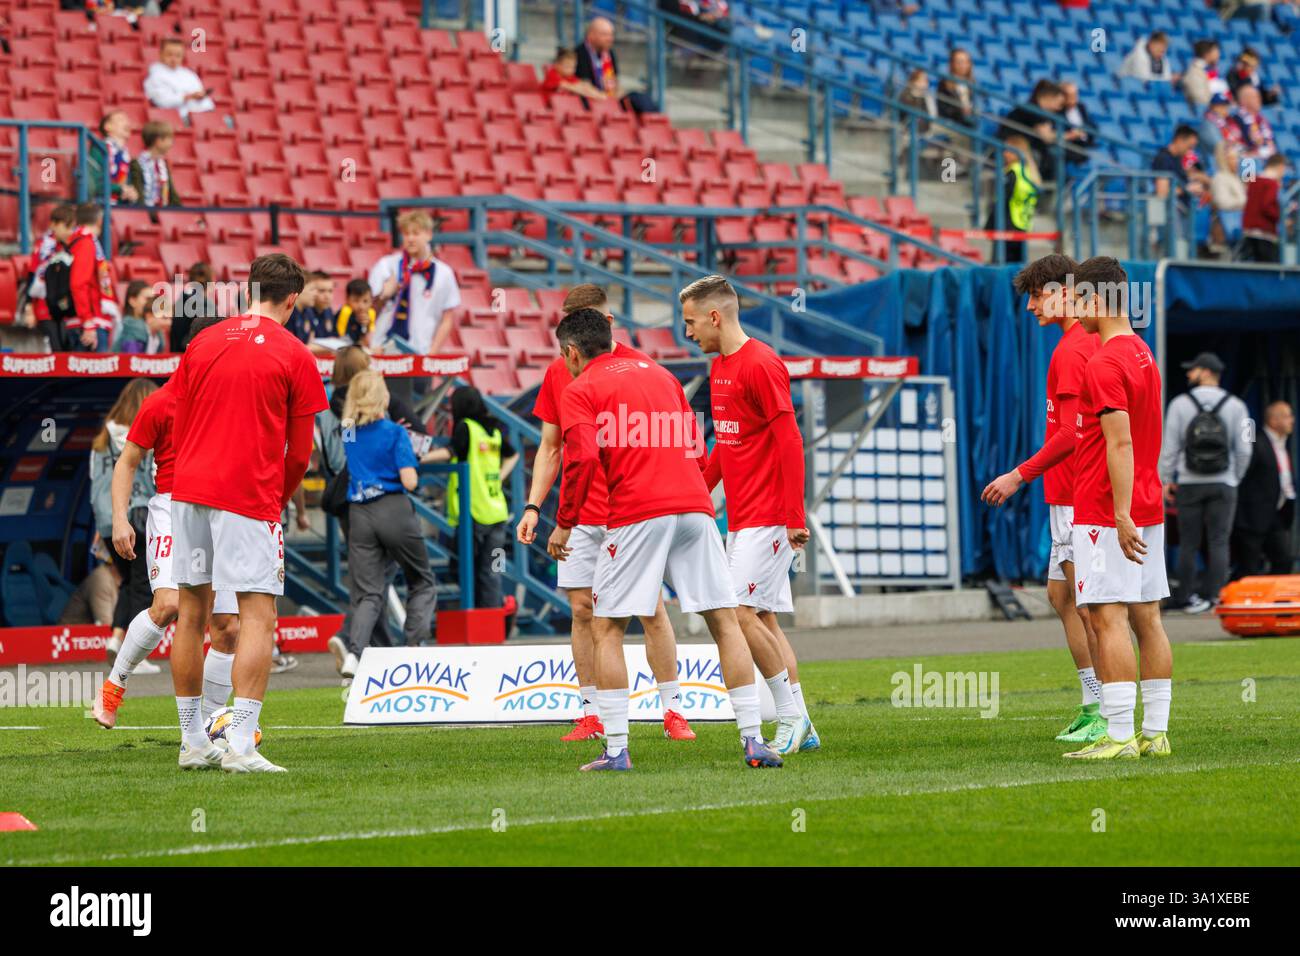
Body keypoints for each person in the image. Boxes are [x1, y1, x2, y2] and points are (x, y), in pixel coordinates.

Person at [547, 308, 783, 771]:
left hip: (638, 510)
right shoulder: (661, 375)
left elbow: (582, 461)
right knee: (725, 621)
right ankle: (754, 742)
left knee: (608, 626)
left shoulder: (580, 389)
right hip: (696, 507)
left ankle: (616, 749)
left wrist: (565, 522)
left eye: (564, 356)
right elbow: (696, 447)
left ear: (572, 353)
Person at [517, 285, 699, 743]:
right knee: (582, 611)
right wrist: (534, 506)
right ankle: (590, 712)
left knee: (650, 609)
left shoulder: (643, 369)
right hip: (581, 514)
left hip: (630, 509)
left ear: (607, 321)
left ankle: (672, 708)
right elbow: (552, 446)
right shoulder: (560, 371)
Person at [168, 253, 328, 772]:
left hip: (188, 489)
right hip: (246, 494)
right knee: (259, 614)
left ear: (247, 291)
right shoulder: (296, 353)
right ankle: (239, 745)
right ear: (293, 300)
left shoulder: (203, 342)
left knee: (192, 614)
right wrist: (276, 499)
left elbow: (181, 420)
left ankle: (193, 742)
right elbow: (302, 453)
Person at [681, 276, 821, 755]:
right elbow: (726, 443)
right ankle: (804, 723)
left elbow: (789, 440)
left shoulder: (761, 364)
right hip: (743, 517)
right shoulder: (722, 367)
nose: (688, 332)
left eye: (691, 322)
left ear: (715, 317)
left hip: (769, 516)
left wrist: (793, 515)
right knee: (762, 616)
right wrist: (698, 493)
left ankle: (788, 717)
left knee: (737, 612)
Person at [982, 255, 1106, 744]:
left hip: (1079, 497)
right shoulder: (1069, 345)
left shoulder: (1074, 350)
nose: (1032, 307)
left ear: (1063, 291)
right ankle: (1093, 700)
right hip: (1065, 496)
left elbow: (1073, 437)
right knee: (1062, 597)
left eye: (1037, 296)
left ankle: (1107, 710)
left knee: (1089, 608)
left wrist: (1018, 475)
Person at [96, 314, 241, 731]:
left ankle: (212, 720)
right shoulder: (161, 401)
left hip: (224, 509)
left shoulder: (231, 398)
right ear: (198, 349)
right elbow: (127, 462)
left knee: (227, 626)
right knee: (170, 605)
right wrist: (121, 519)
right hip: (172, 509)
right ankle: (113, 687)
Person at [1064, 256, 1172, 760]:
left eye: (1075, 298)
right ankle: (1155, 732)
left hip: (1109, 512)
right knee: (1148, 617)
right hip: (1148, 505)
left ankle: (1118, 735)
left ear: (1093, 300)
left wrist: (1121, 513)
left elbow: (1121, 444)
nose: (1072, 308)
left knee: (1107, 618)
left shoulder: (1103, 361)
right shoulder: (1143, 352)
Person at [322, 346, 425, 674]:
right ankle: (411, 650)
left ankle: (358, 649)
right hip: (392, 506)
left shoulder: (346, 427)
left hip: (355, 507)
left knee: (367, 586)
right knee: (420, 580)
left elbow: (344, 445)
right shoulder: (395, 431)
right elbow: (409, 480)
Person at [1158, 351, 1252, 612]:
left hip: (1189, 483)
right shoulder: (1238, 405)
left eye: (1193, 369)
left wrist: (1166, 479)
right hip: (1224, 482)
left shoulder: (1179, 404)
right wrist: (1234, 477)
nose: (1188, 374)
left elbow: (1170, 447)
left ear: (1207, 372)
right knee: (1219, 540)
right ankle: (1215, 597)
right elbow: (1246, 447)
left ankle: (1185, 597)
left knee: (1189, 542)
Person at [89, 380, 158, 677]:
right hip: (137, 514)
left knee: (128, 583)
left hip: (107, 519)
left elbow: (95, 481)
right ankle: (134, 654)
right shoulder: (141, 433)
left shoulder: (102, 436)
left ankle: (116, 638)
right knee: (145, 586)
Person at [368, 211, 461, 355]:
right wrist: (385, 295)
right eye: (406, 234)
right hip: (382, 351)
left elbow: (447, 318)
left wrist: (432, 353)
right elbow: (367, 311)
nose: (410, 239)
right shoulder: (386, 266)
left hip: (420, 352)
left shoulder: (444, 273)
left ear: (429, 234)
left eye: (416, 233)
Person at [1233, 400, 1296, 576]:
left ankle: (1271, 597)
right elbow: (1242, 478)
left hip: (1276, 515)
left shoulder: (1283, 444)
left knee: (1283, 560)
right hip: (1251, 518)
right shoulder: (1256, 443)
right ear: (1273, 421)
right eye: (1287, 416)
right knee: (1248, 567)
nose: (1292, 420)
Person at [573, 17, 659, 115]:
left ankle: (655, 123)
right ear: (591, 36)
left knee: (641, 99)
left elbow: (614, 82)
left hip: (609, 97)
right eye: (604, 35)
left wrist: (616, 93)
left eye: (611, 34)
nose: (610, 39)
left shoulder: (609, 54)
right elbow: (584, 85)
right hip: (590, 100)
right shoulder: (579, 53)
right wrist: (603, 96)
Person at [27, 203, 77, 351]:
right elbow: (32, 275)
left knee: (65, 350)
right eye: (66, 227)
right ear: (53, 225)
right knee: (55, 352)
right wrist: (28, 308)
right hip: (45, 308)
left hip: (63, 308)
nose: (70, 232)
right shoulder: (43, 247)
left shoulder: (67, 247)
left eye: (72, 227)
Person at [67, 203, 114, 352]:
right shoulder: (86, 244)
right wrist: (87, 321)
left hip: (89, 320)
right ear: (100, 221)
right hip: (90, 323)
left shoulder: (81, 241)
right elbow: (78, 284)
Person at [986, 133, 1040, 264]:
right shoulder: (1029, 172)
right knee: (1018, 269)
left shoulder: (1012, 172)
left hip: (1007, 225)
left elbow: (1001, 201)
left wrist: (989, 225)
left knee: (1001, 268)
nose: (1004, 154)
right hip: (1022, 224)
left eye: (1008, 151)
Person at [1000, 80, 1065, 184]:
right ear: (1049, 98)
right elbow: (1046, 137)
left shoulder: (1043, 113)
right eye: (1058, 103)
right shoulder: (1032, 109)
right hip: (1013, 144)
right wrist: (1070, 135)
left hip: (1026, 146)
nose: (1059, 107)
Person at [144, 37, 215, 120]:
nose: (174, 59)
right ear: (161, 54)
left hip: (200, 114)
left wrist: (200, 96)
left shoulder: (189, 74)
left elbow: (203, 98)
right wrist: (187, 97)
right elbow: (162, 102)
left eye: (178, 55)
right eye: (169, 54)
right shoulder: (155, 75)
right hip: (177, 117)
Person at [1241, 153, 1287, 262]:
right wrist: (1279, 216)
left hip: (1249, 230)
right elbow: (1267, 206)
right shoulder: (1271, 184)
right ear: (1280, 167)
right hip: (1264, 232)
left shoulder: (1255, 181)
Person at [59, 545, 120, 626]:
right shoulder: (101, 578)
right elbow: (108, 627)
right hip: (69, 636)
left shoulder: (129, 580)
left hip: (94, 636)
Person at [127, 120, 181, 208]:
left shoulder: (163, 164)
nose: (172, 143)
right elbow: (139, 194)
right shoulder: (137, 164)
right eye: (169, 139)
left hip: (164, 214)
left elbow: (172, 194)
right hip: (145, 214)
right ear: (158, 141)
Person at [92, 110, 139, 204]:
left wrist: (131, 193)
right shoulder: (99, 148)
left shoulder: (125, 155)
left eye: (127, 120)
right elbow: (95, 184)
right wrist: (120, 189)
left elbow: (126, 183)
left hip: (120, 204)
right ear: (107, 126)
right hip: (101, 203)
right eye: (121, 119)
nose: (127, 123)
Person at [170, 261, 215, 352]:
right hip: (190, 354)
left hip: (177, 354)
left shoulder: (182, 298)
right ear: (211, 281)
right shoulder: (204, 304)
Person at [287, 270, 335, 344]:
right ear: (299, 291)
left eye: (330, 291)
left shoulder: (307, 312)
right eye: (312, 289)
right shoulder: (288, 313)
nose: (315, 294)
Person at [542, 47, 607, 100]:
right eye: (567, 66)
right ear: (556, 65)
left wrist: (598, 93)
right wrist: (594, 95)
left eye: (573, 67)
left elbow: (583, 85)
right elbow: (571, 87)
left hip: (561, 107)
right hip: (547, 107)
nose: (571, 70)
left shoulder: (569, 77)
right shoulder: (552, 75)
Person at [936, 47, 977, 131]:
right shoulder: (944, 84)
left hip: (969, 124)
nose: (962, 65)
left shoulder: (972, 85)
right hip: (953, 126)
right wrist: (960, 111)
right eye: (959, 62)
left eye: (965, 62)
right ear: (952, 64)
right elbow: (942, 109)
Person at [1232, 85, 1277, 161]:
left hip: (1261, 158)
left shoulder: (1261, 118)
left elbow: (1270, 141)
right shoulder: (1239, 118)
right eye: (1254, 97)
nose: (1259, 100)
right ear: (1243, 101)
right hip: (1245, 161)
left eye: (1258, 96)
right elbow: (1253, 141)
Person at [1183, 39, 1228, 110]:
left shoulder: (1213, 71)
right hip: (1209, 114)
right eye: (1215, 52)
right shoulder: (1195, 73)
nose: (1218, 55)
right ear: (1207, 54)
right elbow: (1200, 101)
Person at [1058, 81, 1095, 165]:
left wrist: (1084, 132)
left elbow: (1091, 125)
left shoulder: (1081, 107)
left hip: (1084, 144)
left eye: (1075, 95)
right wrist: (1072, 135)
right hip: (1069, 147)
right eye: (1071, 96)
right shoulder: (1058, 111)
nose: (1074, 99)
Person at [1200, 93, 1244, 158]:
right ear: (1213, 107)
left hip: (1232, 154)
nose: (1225, 108)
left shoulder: (1228, 121)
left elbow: (1238, 139)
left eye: (1226, 105)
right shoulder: (1208, 123)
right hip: (1219, 159)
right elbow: (1218, 147)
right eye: (1221, 105)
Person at [113, 281, 153, 353]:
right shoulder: (128, 326)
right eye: (147, 299)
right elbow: (133, 357)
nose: (152, 303)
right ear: (132, 301)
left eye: (153, 299)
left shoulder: (155, 328)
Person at [335, 278, 376, 345]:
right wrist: (356, 320)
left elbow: (370, 337)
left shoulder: (371, 313)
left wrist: (367, 325)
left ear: (371, 301)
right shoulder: (345, 312)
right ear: (347, 299)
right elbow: (341, 335)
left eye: (365, 301)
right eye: (356, 301)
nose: (361, 306)